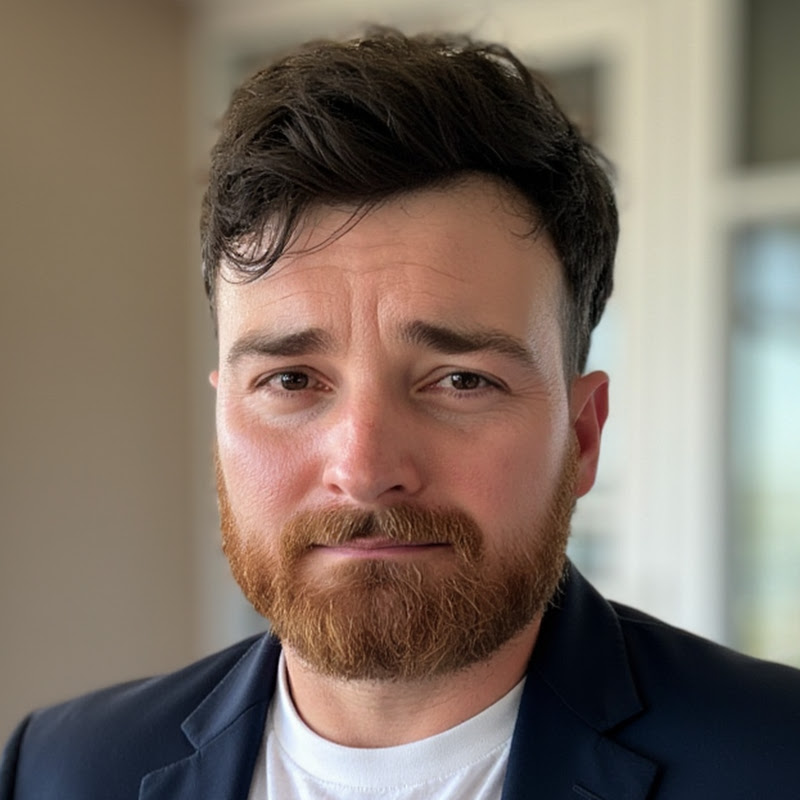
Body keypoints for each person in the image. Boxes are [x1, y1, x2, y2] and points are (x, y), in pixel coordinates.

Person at [2, 27, 799, 800]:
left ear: (582, 437)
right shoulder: (58, 769)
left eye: (461, 381)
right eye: (291, 380)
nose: (364, 469)